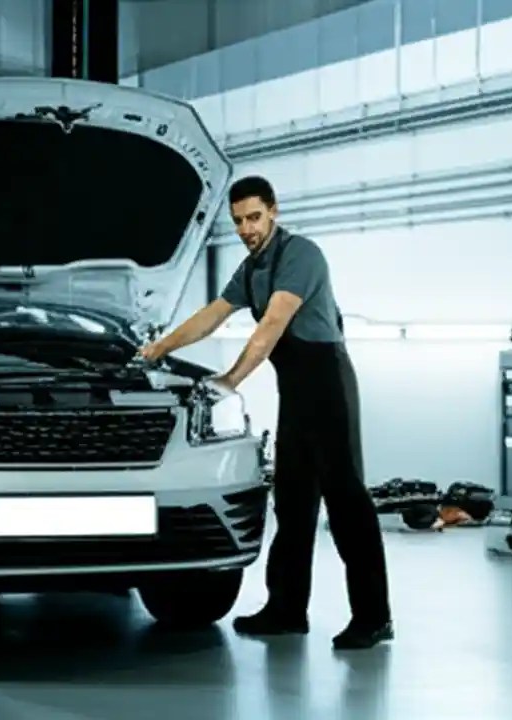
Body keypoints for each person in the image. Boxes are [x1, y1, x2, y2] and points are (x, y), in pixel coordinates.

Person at [139, 175, 393, 650]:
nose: (246, 228)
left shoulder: (301, 255)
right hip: (296, 394)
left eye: (254, 217)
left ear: (273, 210)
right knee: (293, 502)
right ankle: (286, 609)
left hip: (328, 386)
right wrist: (160, 347)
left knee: (346, 503)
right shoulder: (251, 267)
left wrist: (229, 380)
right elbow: (213, 314)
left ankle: (374, 617)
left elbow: (272, 325)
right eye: (237, 221)